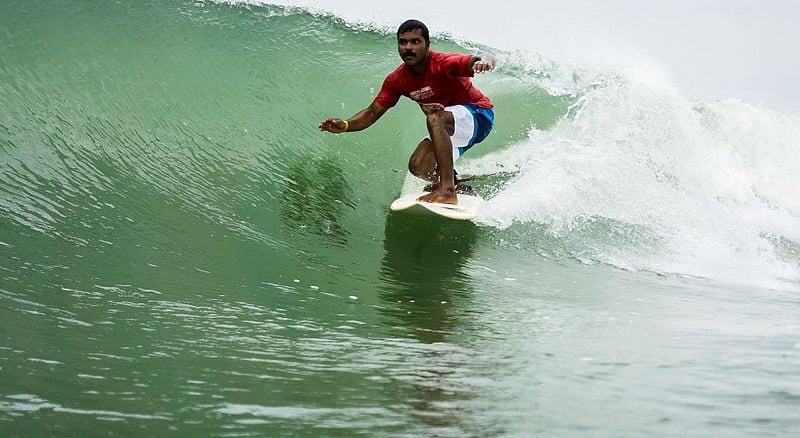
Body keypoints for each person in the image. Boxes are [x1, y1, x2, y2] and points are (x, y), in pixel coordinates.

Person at [318, 19, 496, 205]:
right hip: (450, 127)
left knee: (435, 118)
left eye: (415, 42)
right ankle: (457, 186)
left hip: (478, 115)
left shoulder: (443, 63)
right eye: (403, 42)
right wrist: (346, 125)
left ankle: (447, 190)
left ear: (427, 44)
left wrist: (484, 61)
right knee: (418, 166)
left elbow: (483, 57)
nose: (408, 47)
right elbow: (371, 113)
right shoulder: (397, 80)